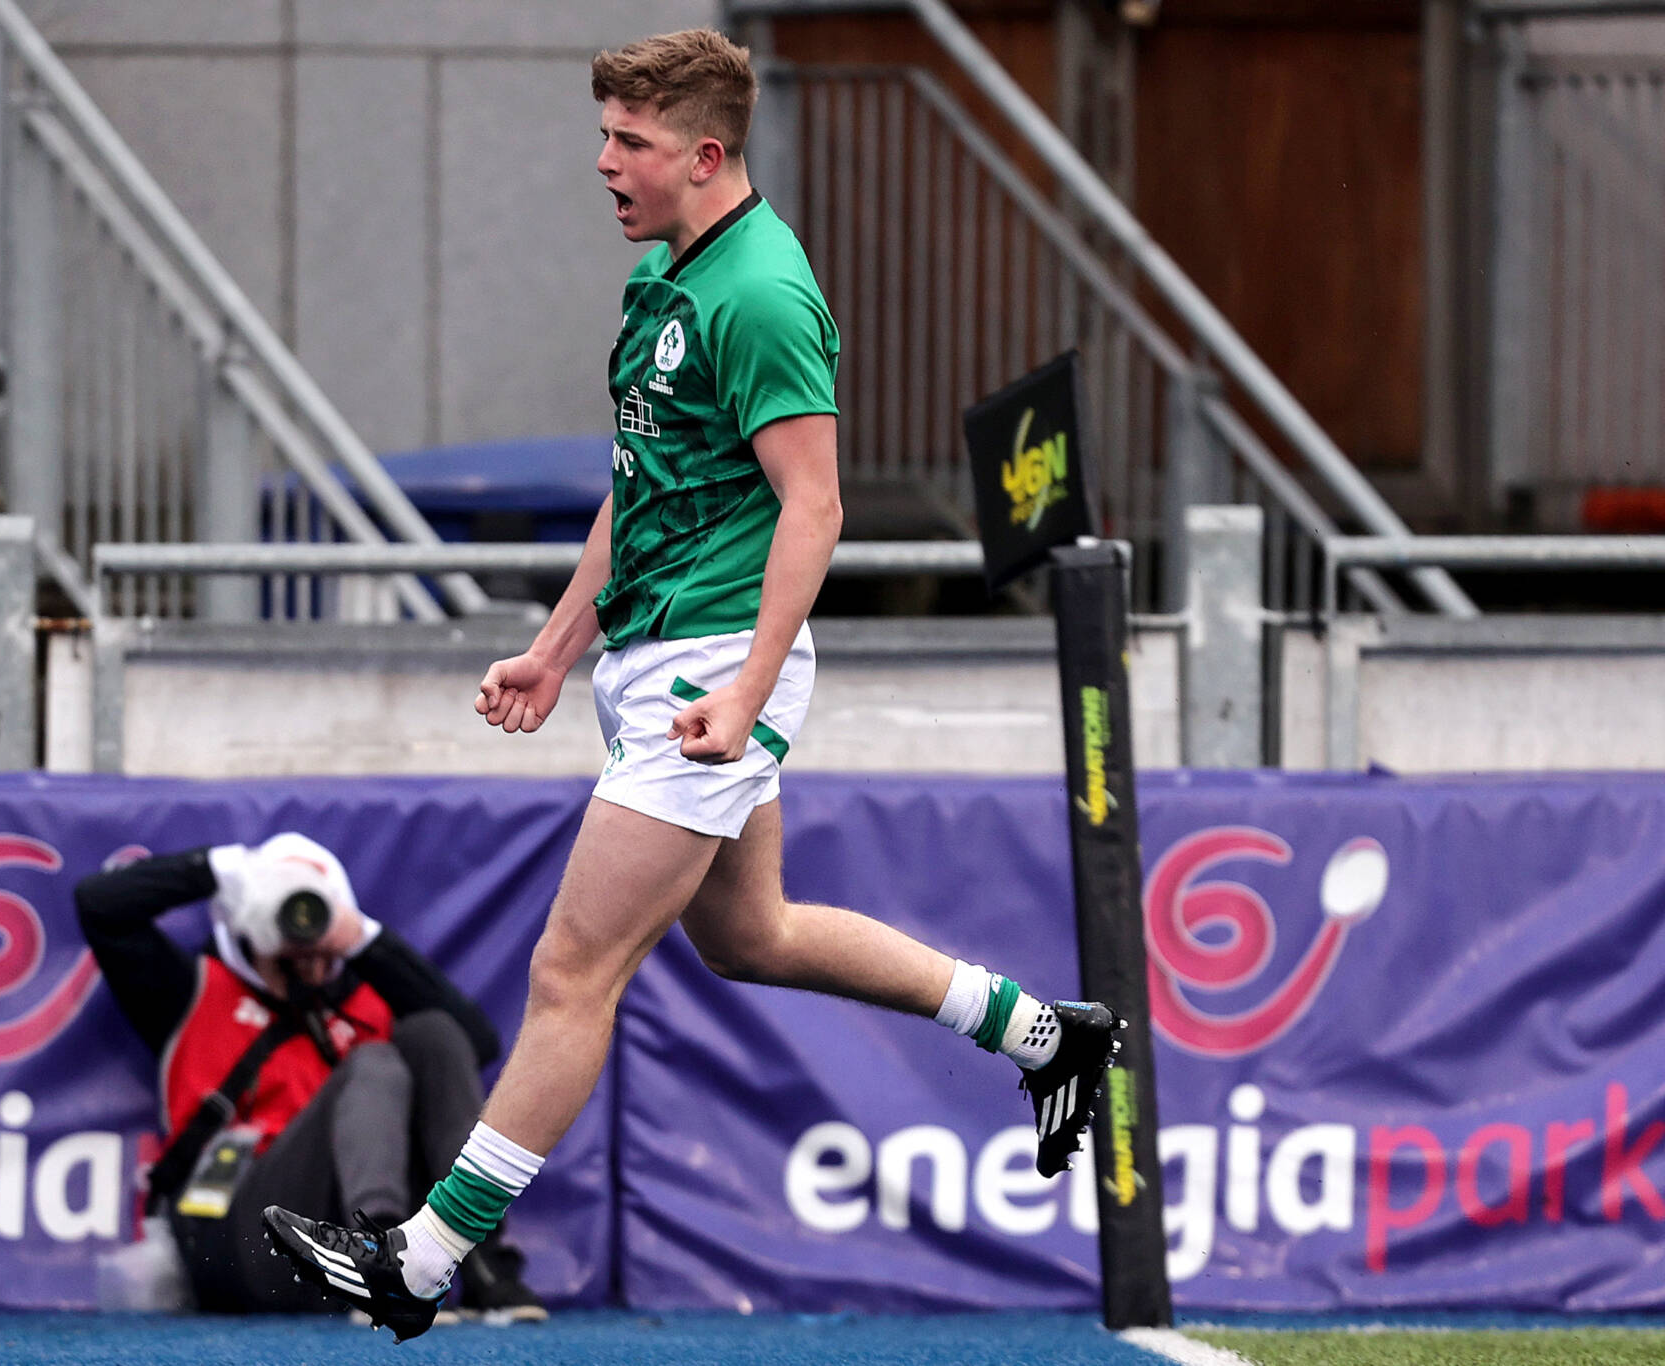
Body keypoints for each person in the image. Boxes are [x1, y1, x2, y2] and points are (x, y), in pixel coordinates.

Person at [264, 29, 1121, 1341]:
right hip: (658, 658)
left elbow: (815, 508)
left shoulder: (762, 295)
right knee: (750, 935)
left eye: (631, 143)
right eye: (604, 134)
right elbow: (641, 489)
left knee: (570, 972)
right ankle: (1039, 1036)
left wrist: (751, 693)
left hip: (714, 668)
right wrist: (556, 649)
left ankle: (418, 1265)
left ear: (705, 157)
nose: (604, 164)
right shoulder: (664, 276)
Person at [75, 831, 546, 1323]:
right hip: (235, 1233)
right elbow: (98, 906)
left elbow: (473, 1046)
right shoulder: (192, 990)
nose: (315, 972)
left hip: (329, 1232)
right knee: (372, 1064)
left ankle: (483, 1265)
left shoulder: (365, 1002)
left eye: (326, 956)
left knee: (432, 1032)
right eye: (294, 957)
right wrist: (225, 870)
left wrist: (363, 940)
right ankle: (381, 1266)